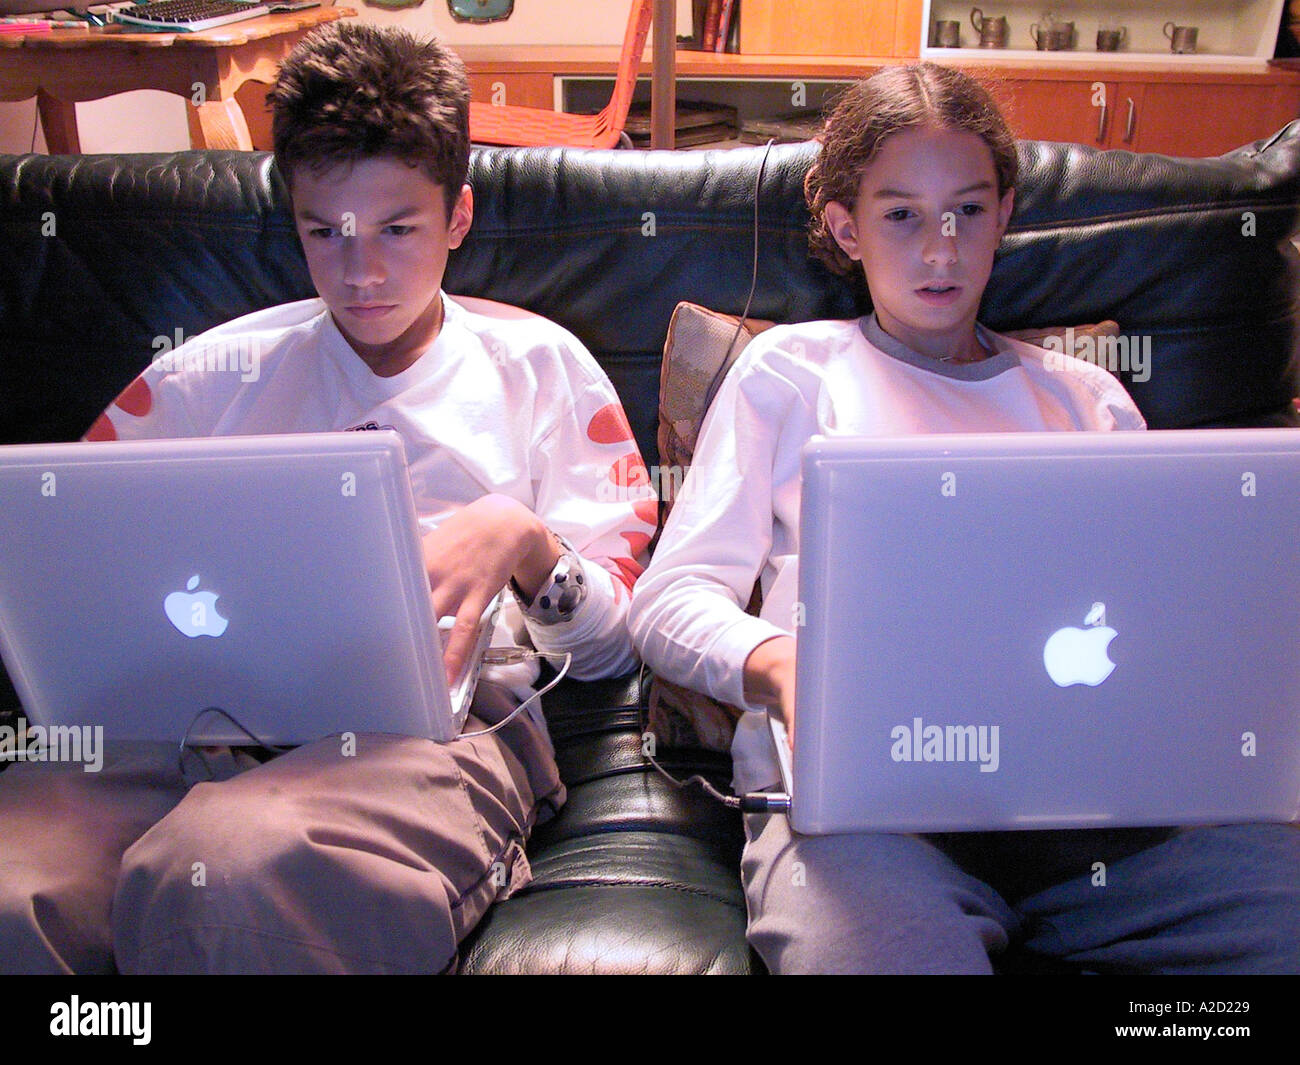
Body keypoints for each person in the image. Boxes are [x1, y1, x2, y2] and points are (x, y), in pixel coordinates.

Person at [0, 22, 654, 974]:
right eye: (325, 232)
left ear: (458, 217)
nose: (362, 271)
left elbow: (613, 643)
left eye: (398, 229)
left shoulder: (539, 368)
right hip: (178, 723)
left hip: (428, 736)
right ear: (293, 221)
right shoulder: (199, 378)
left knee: (228, 873)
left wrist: (522, 541)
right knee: (16, 885)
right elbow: (62, 555)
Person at [628, 62, 1300, 975]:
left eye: (968, 211)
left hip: (1101, 809)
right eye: (901, 213)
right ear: (844, 225)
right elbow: (670, 598)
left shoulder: (1089, 399)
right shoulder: (791, 372)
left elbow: (1167, 616)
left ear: (1006, 211)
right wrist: (783, 665)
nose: (940, 249)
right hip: (872, 819)